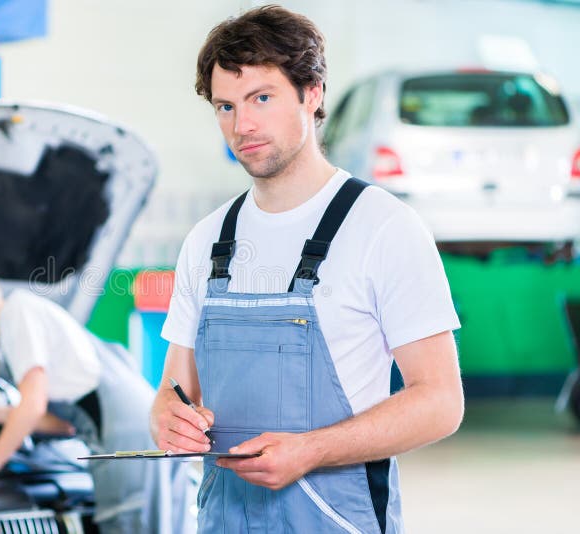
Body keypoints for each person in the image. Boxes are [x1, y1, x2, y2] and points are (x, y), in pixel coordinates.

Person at [149, 5, 464, 533]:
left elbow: (440, 401)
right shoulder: (206, 241)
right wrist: (165, 417)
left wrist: (311, 450)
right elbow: (175, 391)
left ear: (312, 93)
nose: (242, 125)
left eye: (262, 98)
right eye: (226, 106)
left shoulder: (383, 227)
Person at [0, 253, 187, 534]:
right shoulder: (22, 312)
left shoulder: (16, 313)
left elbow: (33, 406)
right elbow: (61, 423)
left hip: (124, 431)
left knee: (128, 523)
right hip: (140, 420)